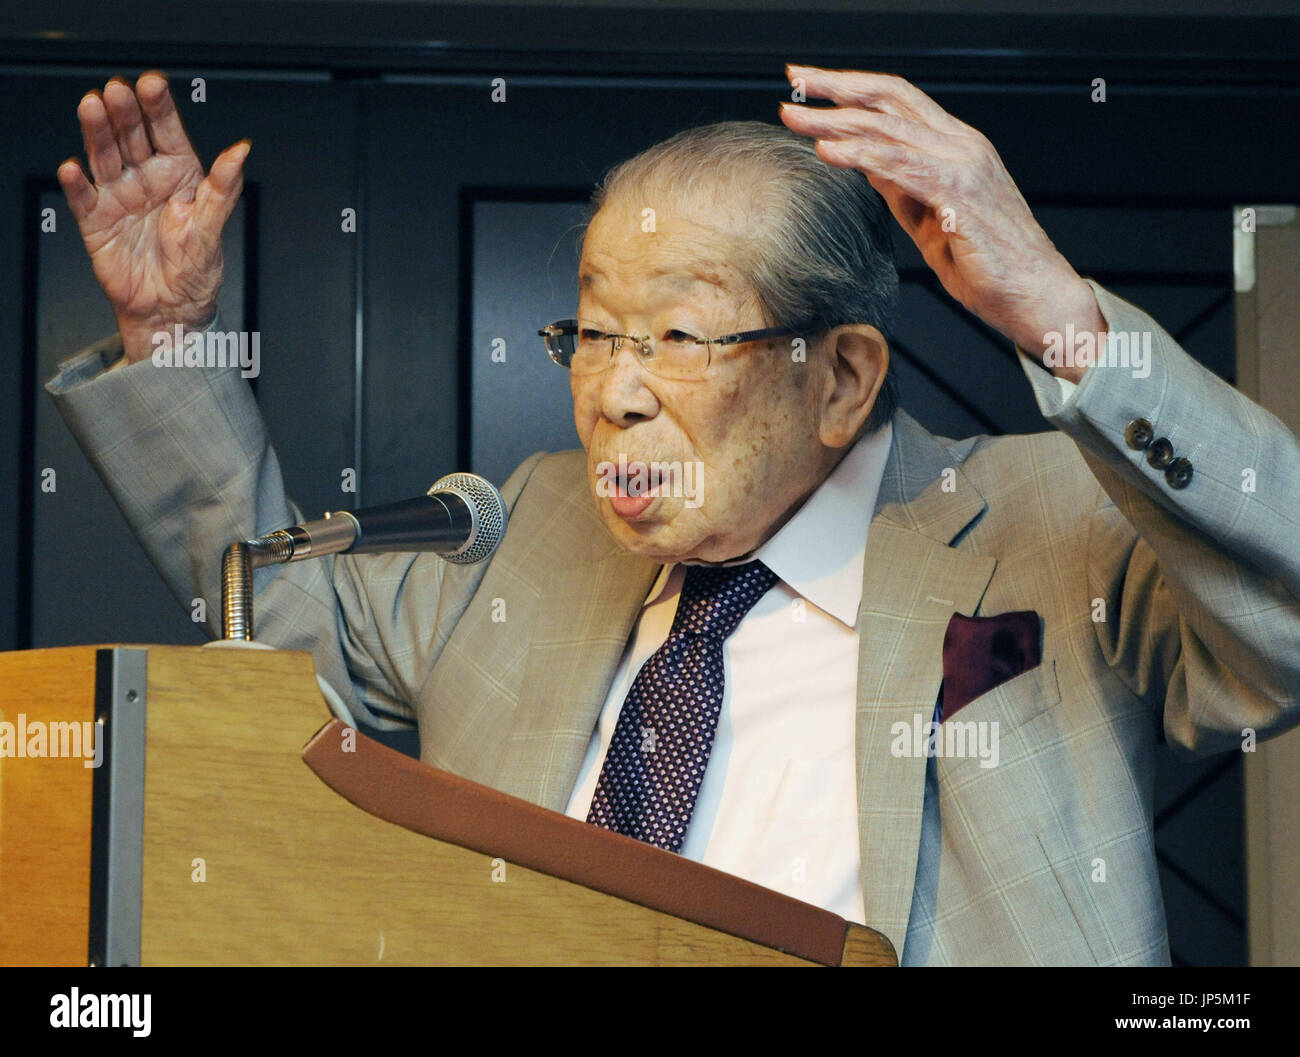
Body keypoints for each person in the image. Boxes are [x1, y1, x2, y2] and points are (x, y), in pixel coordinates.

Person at [47, 67, 1300, 966]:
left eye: (679, 338)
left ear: (843, 377)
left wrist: (1055, 315)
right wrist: (172, 344)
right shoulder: (529, 525)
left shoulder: (1043, 520)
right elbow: (272, 609)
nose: (613, 391)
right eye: (592, 331)